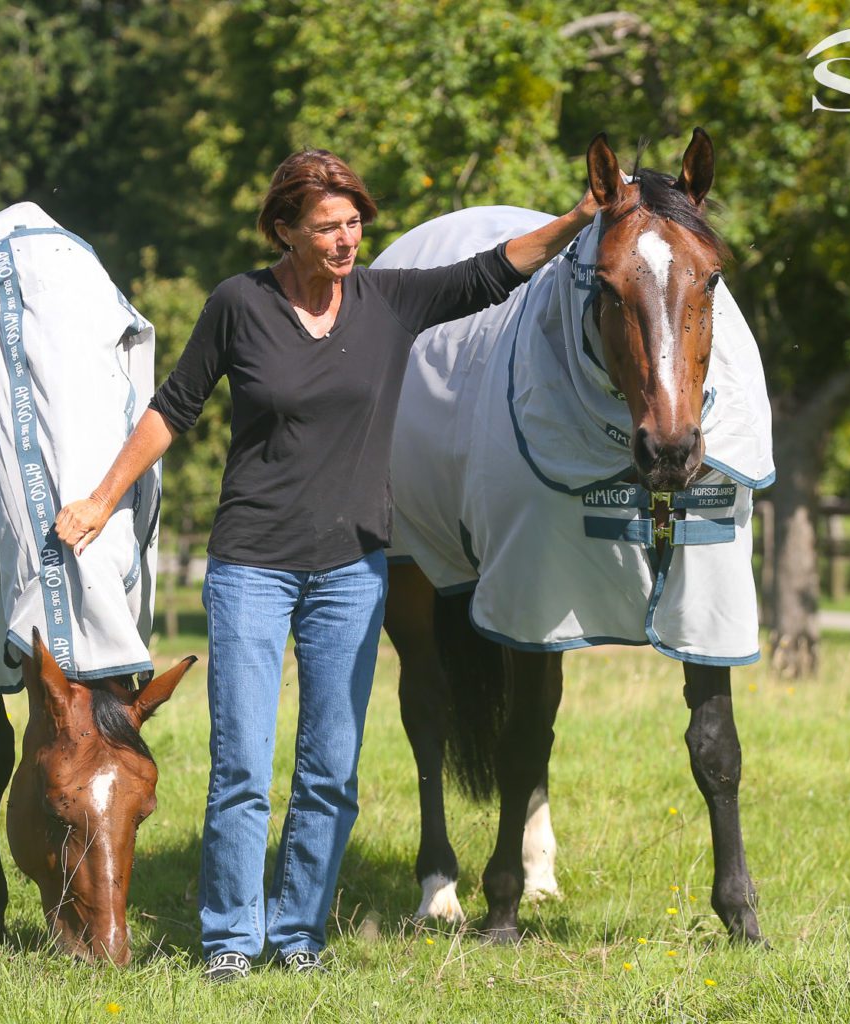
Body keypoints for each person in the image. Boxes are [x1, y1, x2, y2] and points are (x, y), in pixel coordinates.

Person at [55, 149, 596, 980]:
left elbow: (492, 272)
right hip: (251, 568)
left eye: (353, 225)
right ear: (284, 231)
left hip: (353, 570)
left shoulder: (387, 302)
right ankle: (232, 938)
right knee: (241, 765)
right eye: (327, 227)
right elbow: (174, 408)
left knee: (332, 769)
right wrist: (101, 499)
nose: (346, 240)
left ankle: (299, 933)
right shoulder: (241, 304)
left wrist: (579, 218)